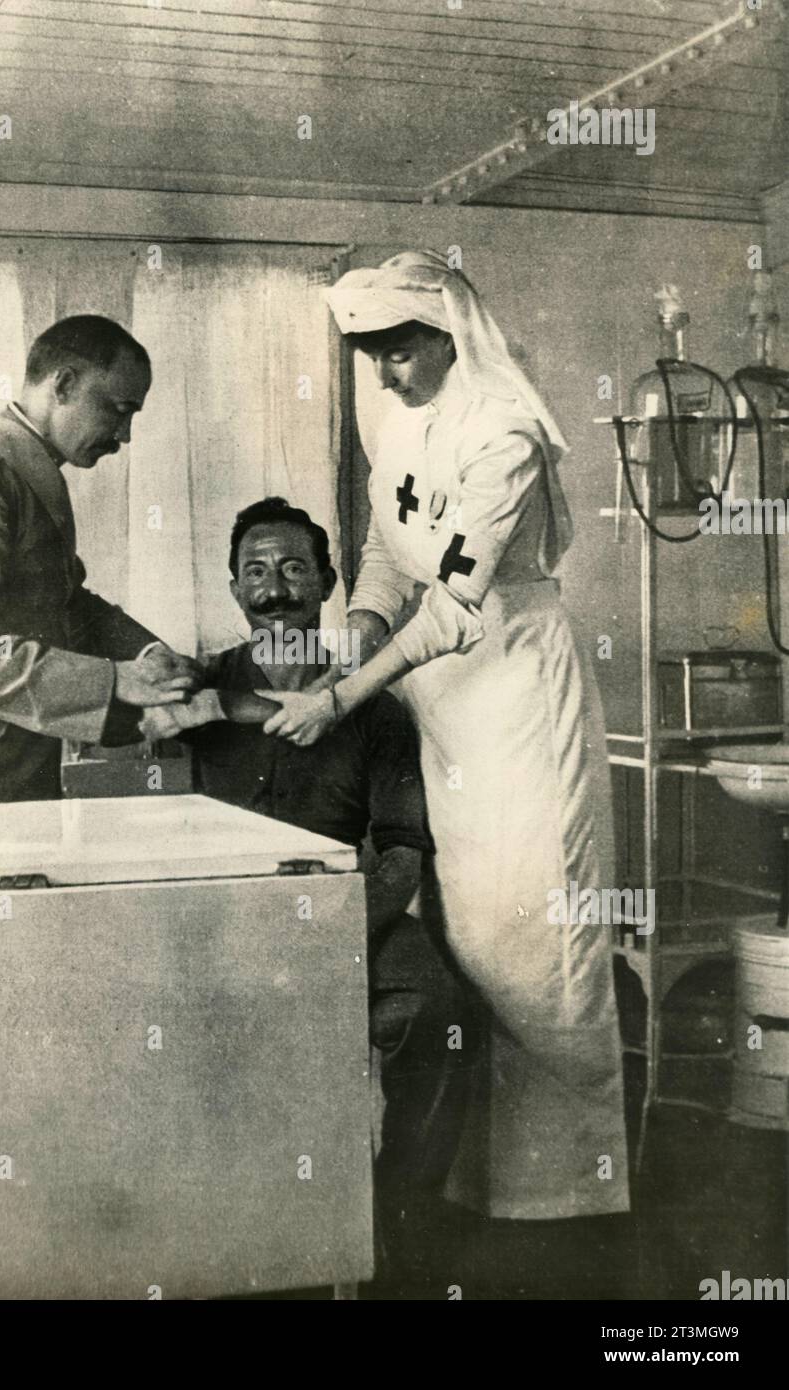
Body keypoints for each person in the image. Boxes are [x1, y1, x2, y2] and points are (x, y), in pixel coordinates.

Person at [257, 252, 629, 1223]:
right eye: (369, 356)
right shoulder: (400, 420)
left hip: (515, 702)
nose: (382, 373)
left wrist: (346, 691)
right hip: (442, 713)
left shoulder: (504, 433)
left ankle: (568, 1203)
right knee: (467, 937)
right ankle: (482, 1184)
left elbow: (459, 602)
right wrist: (363, 626)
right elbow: (388, 550)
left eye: (399, 352)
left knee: (537, 941)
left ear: (449, 335)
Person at [166, 496, 474, 1282]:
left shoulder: (372, 706)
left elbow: (402, 853)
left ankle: (396, 1211)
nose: (275, 591)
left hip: (342, 921)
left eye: (295, 569)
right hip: (217, 922)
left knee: (438, 1011)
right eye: (256, 573)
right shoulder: (192, 696)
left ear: (331, 582)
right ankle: (202, 1226)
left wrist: (338, 937)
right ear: (233, 588)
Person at [0, 315, 203, 809]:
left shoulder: (31, 476)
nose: (125, 434)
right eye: (117, 408)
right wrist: (117, 679)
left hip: (13, 772)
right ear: (63, 384)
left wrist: (148, 652)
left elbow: (67, 601)